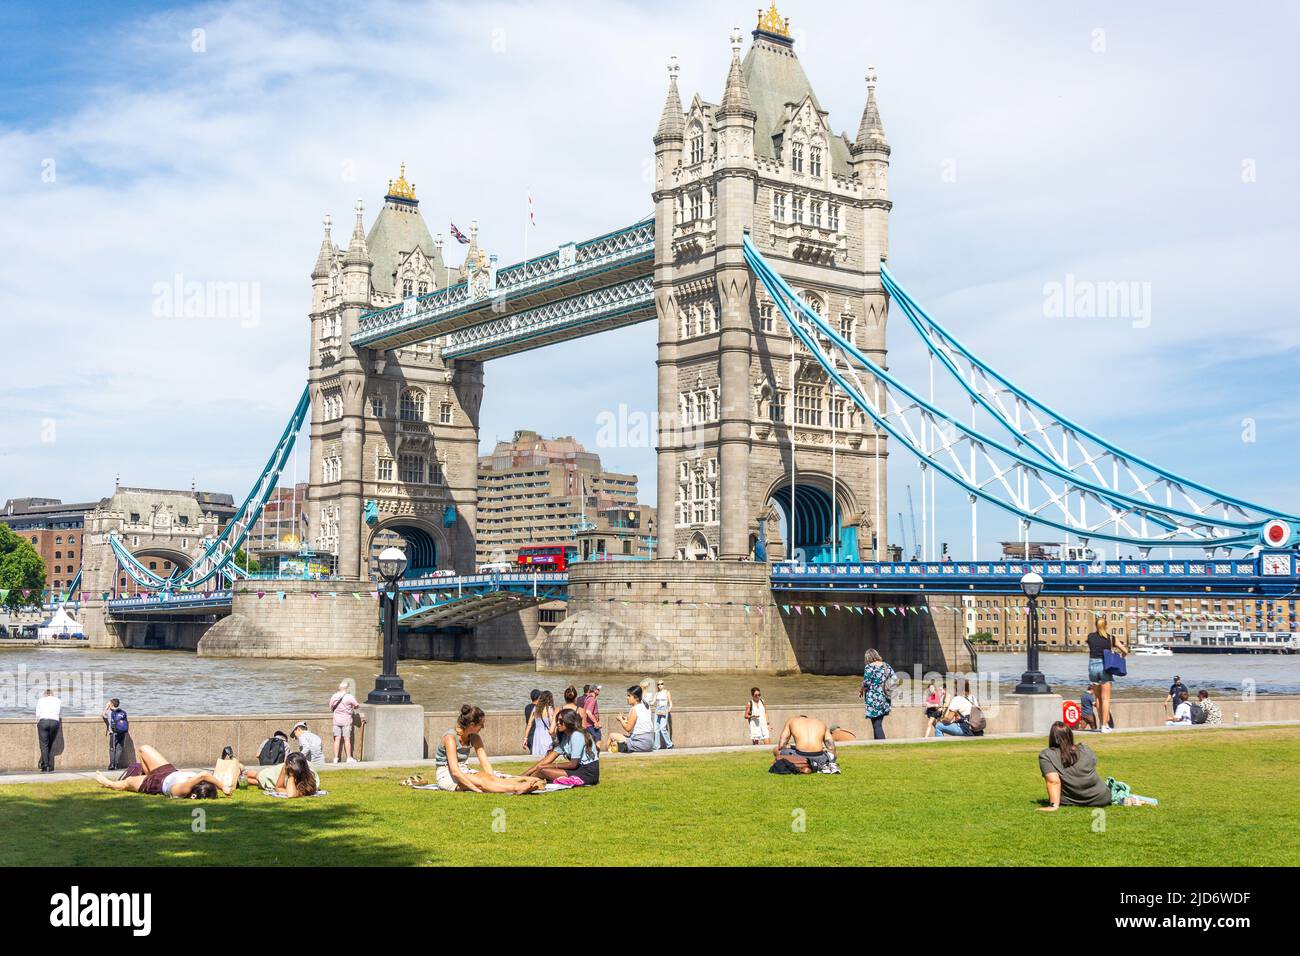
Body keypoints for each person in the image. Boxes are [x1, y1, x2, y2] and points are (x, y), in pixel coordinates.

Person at [1037, 721, 1157, 810]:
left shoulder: (1046, 755)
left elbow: (1054, 781)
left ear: (1052, 737)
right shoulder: (1084, 749)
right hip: (1102, 797)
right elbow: (1091, 766)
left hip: (1073, 800)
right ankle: (1131, 800)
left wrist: (1053, 805)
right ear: (1070, 735)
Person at [433, 705, 544, 794]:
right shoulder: (450, 738)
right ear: (472, 725)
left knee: (485, 776)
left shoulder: (474, 738)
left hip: (464, 771)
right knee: (481, 781)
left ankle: (525, 782)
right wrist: (475, 789)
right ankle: (516, 788)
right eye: (481, 725)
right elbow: (455, 771)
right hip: (447, 774)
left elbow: (485, 764)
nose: (483, 727)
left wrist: (492, 777)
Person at [93, 744, 228, 799]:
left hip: (155, 783)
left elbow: (204, 774)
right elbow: (203, 777)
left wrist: (223, 787)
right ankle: (144, 773)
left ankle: (108, 783)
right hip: (168, 770)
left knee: (127, 782)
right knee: (144, 749)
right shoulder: (193, 783)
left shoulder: (183, 790)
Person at [521, 709, 600, 785]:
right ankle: (522, 780)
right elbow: (546, 760)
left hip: (587, 773)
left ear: (569, 721)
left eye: (561, 721)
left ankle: (522, 783)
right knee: (542, 770)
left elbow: (573, 764)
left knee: (542, 771)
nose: (558, 723)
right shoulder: (565, 737)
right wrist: (526, 773)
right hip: (577, 769)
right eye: (557, 720)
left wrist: (550, 766)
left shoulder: (577, 735)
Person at [1086, 615, 1125, 733]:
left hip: (1092, 667)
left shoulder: (1090, 637)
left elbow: (1091, 645)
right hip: (1104, 667)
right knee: (1106, 699)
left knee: (1098, 698)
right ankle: (1104, 726)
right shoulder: (1111, 638)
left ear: (1096, 626)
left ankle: (1102, 724)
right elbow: (1125, 650)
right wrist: (1121, 656)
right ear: (1106, 626)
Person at [772, 714, 836, 773]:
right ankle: (815, 766)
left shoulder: (792, 721)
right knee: (826, 755)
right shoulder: (820, 722)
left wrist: (793, 747)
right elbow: (831, 748)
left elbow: (781, 745)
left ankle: (802, 767)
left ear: (798, 718)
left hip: (801, 757)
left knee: (776, 749)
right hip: (821, 758)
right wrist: (830, 759)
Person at [244, 751, 321, 798]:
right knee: (258, 775)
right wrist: (288, 772)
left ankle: (240, 780)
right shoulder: (285, 768)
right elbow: (280, 788)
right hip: (275, 774)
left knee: (257, 782)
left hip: (282, 778)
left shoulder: (310, 779)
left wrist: (291, 775)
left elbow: (291, 794)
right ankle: (242, 772)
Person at [857, 648, 896, 740]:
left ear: (868, 657)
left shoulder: (869, 667)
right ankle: (877, 744)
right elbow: (894, 678)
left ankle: (882, 744)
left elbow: (866, 683)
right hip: (884, 698)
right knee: (878, 723)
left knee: (876, 724)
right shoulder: (886, 665)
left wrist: (861, 690)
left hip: (873, 698)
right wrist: (885, 685)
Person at [606, 685, 655, 753]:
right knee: (618, 743)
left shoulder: (634, 709)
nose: (627, 698)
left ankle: (606, 754)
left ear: (636, 698)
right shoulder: (646, 706)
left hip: (640, 742)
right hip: (650, 742)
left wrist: (620, 719)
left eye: (629, 696)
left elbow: (628, 729)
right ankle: (618, 748)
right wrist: (625, 719)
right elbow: (639, 721)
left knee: (611, 736)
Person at [329, 680, 360, 763]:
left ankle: (335, 758)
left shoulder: (334, 696)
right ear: (347, 688)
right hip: (346, 720)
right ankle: (349, 758)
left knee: (337, 739)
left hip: (336, 720)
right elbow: (357, 705)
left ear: (339, 688)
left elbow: (330, 706)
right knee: (347, 739)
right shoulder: (349, 697)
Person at [35, 688, 61, 773]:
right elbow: (59, 712)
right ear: (52, 694)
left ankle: (46, 765)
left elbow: (38, 714)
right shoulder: (58, 700)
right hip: (54, 722)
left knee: (44, 744)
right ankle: (42, 762)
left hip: (43, 722)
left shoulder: (40, 700)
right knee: (49, 743)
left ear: (45, 694)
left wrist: (38, 723)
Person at [101, 697, 129, 772]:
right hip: (122, 732)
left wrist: (106, 707)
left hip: (114, 733)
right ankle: (116, 765)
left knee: (112, 748)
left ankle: (112, 764)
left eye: (110, 703)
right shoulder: (123, 712)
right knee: (119, 748)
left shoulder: (109, 712)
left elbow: (103, 715)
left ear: (112, 704)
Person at [526, 691, 555, 756]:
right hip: (546, 735)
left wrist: (525, 738)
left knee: (537, 754)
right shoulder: (549, 709)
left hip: (537, 735)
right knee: (547, 755)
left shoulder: (535, 708)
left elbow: (529, 724)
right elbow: (551, 722)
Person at [652, 680, 673, 750]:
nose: (660, 685)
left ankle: (669, 744)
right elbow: (653, 702)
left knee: (662, 728)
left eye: (661, 684)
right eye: (658, 684)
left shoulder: (667, 692)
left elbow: (670, 702)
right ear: (657, 685)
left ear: (663, 685)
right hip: (658, 709)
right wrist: (646, 701)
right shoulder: (656, 693)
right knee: (656, 729)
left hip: (664, 709)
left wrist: (670, 707)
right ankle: (657, 746)